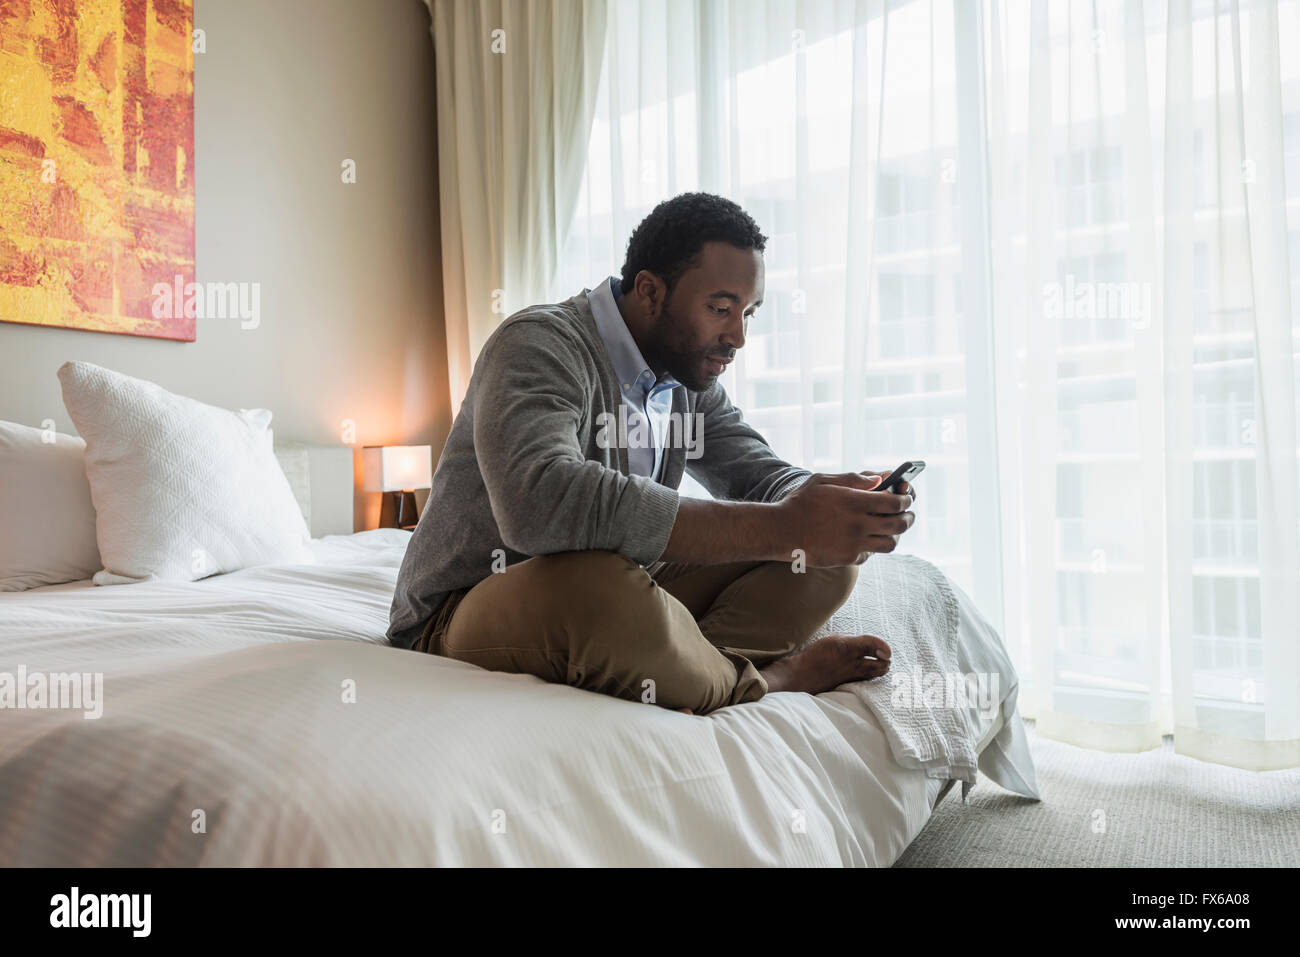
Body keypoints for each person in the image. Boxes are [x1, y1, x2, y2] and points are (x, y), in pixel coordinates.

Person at [388, 192, 916, 715]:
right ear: (649, 290)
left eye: (748, 312)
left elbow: (756, 474)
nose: (737, 336)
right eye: (720, 308)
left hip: (629, 579)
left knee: (826, 561)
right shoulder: (539, 343)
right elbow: (540, 505)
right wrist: (784, 526)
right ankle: (763, 681)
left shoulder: (686, 375)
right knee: (598, 586)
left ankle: (700, 667)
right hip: (469, 602)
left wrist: (828, 503)